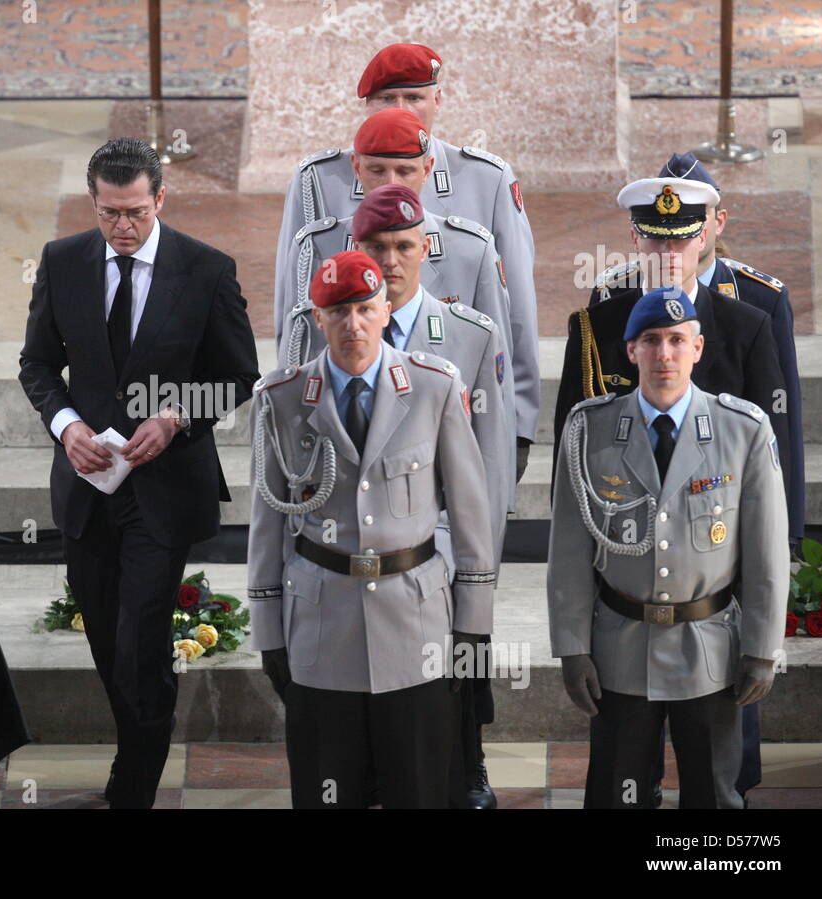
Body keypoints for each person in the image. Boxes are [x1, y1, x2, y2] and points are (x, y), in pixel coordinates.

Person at [18, 138, 259, 809]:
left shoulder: (206, 269)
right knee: (104, 638)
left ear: (160, 198)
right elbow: (37, 366)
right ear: (93, 202)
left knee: (141, 639)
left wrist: (178, 416)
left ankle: (134, 789)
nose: (121, 228)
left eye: (134, 213)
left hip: (163, 490)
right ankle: (135, 759)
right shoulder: (62, 262)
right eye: (107, 214)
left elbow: (240, 374)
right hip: (89, 488)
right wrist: (67, 427)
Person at [247, 250, 496, 808]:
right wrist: (268, 629)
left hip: (417, 628)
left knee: (420, 791)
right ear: (316, 318)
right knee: (327, 791)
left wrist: (474, 626)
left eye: (364, 308)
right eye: (337, 312)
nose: (352, 325)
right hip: (320, 626)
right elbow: (267, 525)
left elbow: (470, 512)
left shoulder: (434, 387)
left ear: (387, 309)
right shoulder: (281, 399)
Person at [548, 287, 787, 809]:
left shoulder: (742, 429)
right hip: (620, 647)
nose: (665, 354)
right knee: (619, 792)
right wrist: (572, 646)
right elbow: (568, 551)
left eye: (678, 340)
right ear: (630, 350)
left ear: (698, 349)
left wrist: (762, 648)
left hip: (709, 649)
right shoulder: (590, 429)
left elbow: (766, 553)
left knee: (713, 796)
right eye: (650, 340)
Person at [273, 42, 540, 465]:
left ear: (437, 98)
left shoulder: (486, 179)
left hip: (447, 404)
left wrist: (519, 424)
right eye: (386, 98)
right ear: (366, 105)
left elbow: (515, 312)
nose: (401, 108)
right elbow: (296, 311)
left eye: (414, 97)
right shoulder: (319, 180)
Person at [352, 183, 513, 808]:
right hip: (368, 533)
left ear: (425, 249)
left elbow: (491, 453)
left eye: (402, 247)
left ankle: (469, 765)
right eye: (375, 247)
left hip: (445, 532)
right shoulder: (327, 322)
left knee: (459, 668)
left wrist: (480, 555)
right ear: (355, 247)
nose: (389, 262)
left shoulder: (470, 333)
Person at [555, 176, 790, 524]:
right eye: (654, 237)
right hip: (619, 518)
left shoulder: (746, 328)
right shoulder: (595, 327)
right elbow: (570, 444)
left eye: (680, 239)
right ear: (635, 237)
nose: (667, 254)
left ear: (702, 237)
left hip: (718, 521)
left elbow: (772, 446)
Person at [278, 109, 512, 395]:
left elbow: (495, 359)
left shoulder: (472, 250)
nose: (390, 183)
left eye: (405, 171)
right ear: (356, 167)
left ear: (427, 170)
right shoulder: (315, 248)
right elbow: (295, 348)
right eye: (377, 170)